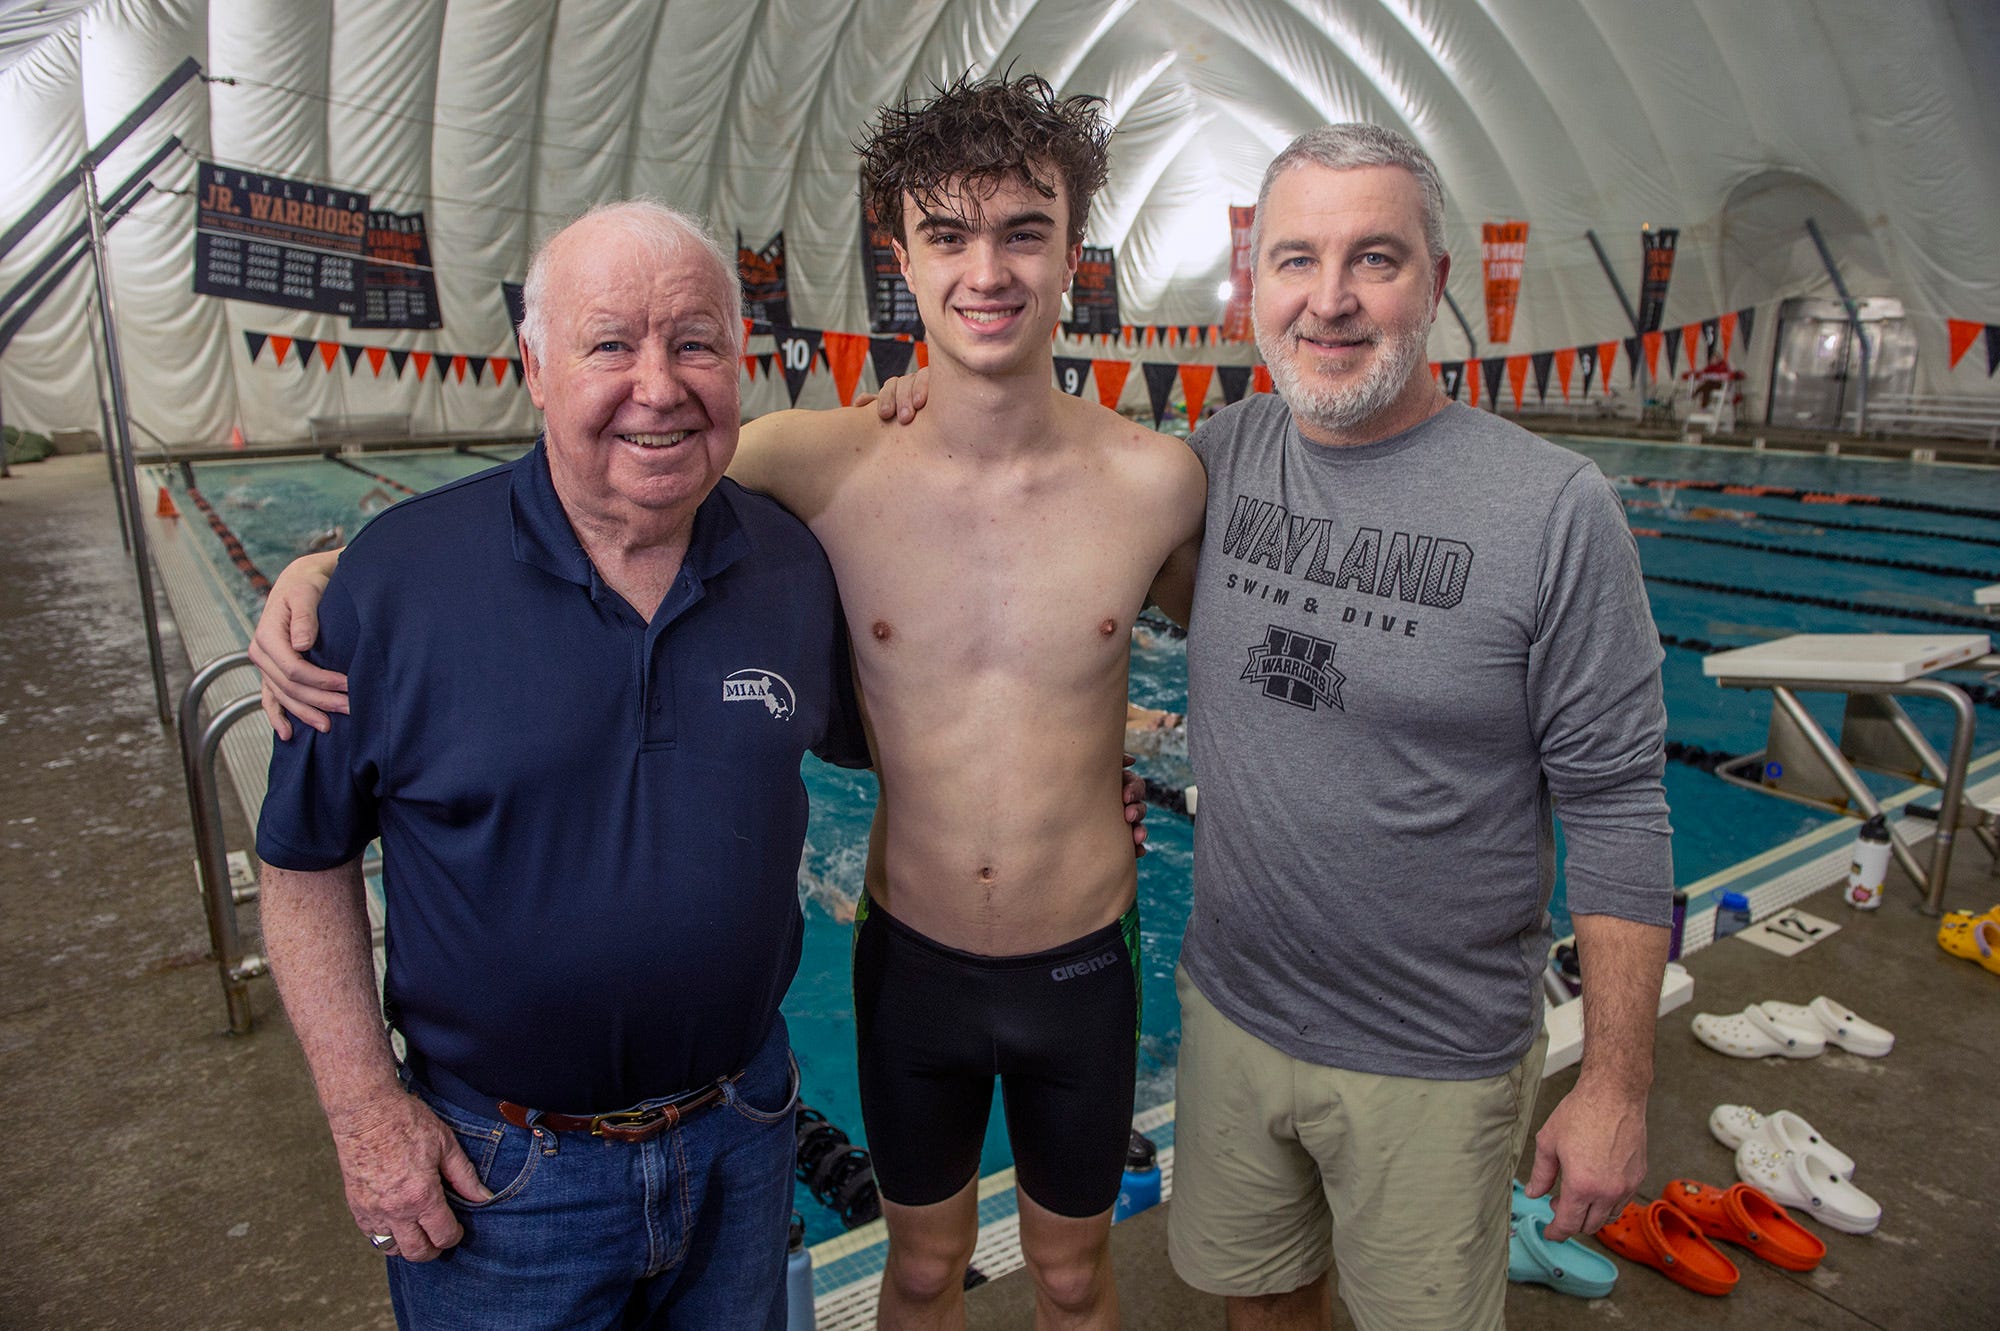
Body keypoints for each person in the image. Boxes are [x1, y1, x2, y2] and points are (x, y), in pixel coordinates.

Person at [253, 75, 1204, 1330]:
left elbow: (1249, 660)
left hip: (1045, 971)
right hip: (902, 961)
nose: (986, 270)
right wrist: (331, 575)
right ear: (900, 256)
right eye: (948, 234)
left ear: (1072, 250)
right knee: (923, 1271)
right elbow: (610, 474)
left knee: (1076, 1277)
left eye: (1023, 232)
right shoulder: (816, 460)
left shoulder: (1155, 480)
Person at [254, 201, 871, 1329]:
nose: (658, 386)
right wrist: (364, 1112)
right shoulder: (396, 584)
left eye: (694, 342)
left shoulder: (792, 564)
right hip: (501, 1179)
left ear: (740, 361)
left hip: (742, 1138)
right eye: (610, 344)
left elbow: (910, 733)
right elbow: (302, 864)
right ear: (534, 368)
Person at [1163, 125, 1672, 1331]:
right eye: (1295, 258)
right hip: (1228, 1015)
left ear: (1436, 281)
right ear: (1253, 286)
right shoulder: (1213, 461)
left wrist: (1613, 1084)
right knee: (1257, 1303)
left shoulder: (1550, 509)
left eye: (1373, 259)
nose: (1328, 299)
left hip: (1430, 1059)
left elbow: (1614, 802)